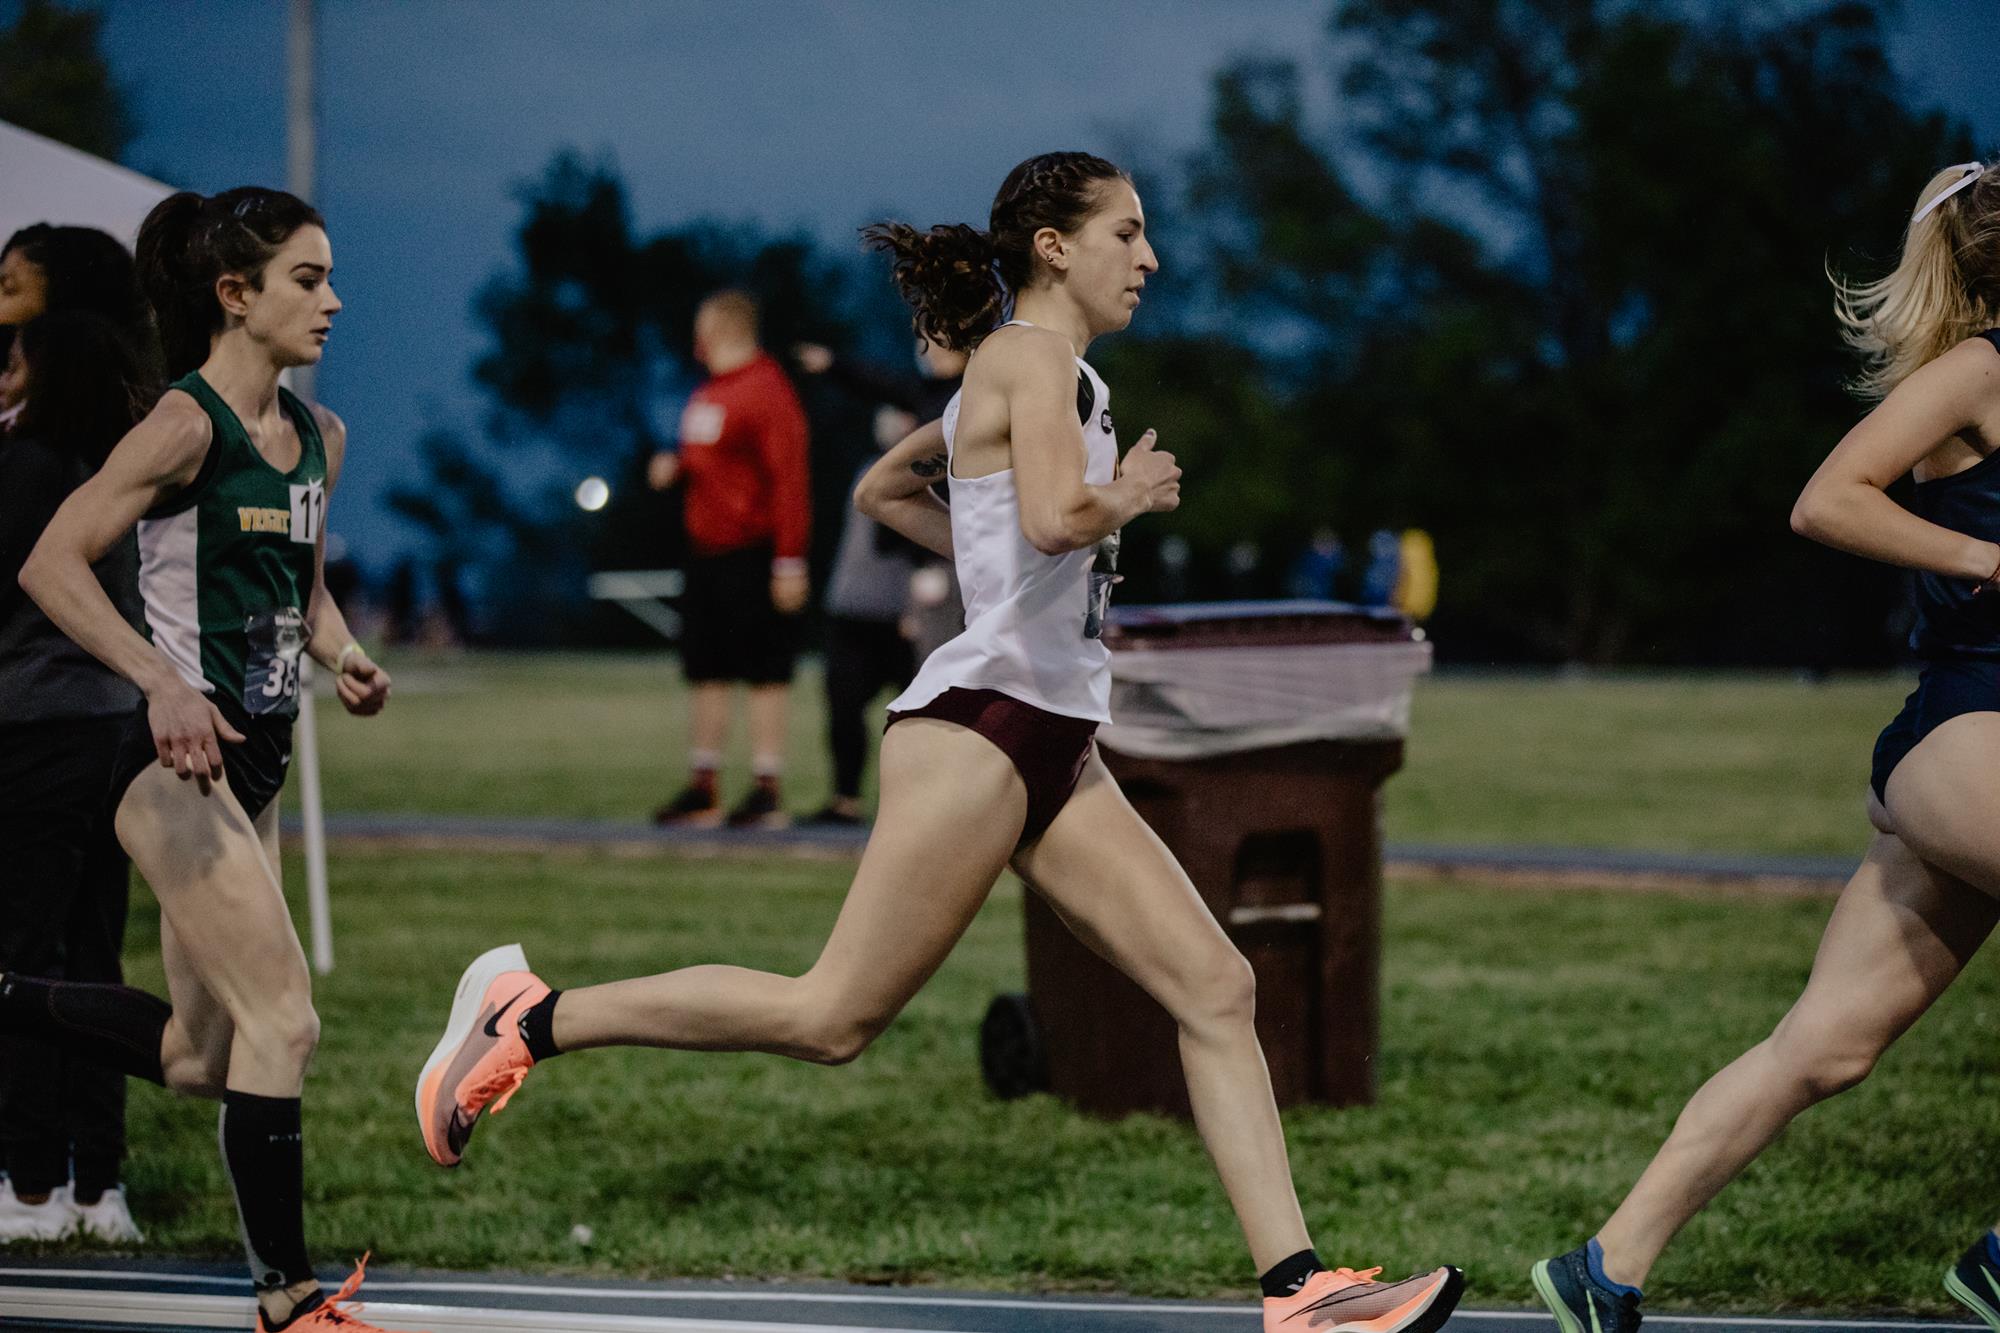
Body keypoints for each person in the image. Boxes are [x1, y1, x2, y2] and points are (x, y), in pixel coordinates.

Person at [418, 151, 1465, 1333]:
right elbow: (1050, 516)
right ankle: (531, 1015)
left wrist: (984, 531)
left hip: (1050, 743)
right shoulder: (1031, 359)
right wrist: (1121, 495)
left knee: (1216, 985)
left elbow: (881, 490)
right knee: (831, 1018)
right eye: (1127, 233)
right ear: (1055, 247)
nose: (1151, 258)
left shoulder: (1029, 372)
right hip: (981, 733)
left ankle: (1300, 1289)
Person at [1530, 161, 2000, 1333]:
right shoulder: (1980, 370)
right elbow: (1826, 497)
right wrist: (1984, 560)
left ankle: (1602, 1268)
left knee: (1824, 1046)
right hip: (1967, 729)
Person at [1, 187, 410, 1332]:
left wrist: (347, 656)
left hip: (256, 760)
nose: (332, 302)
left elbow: (305, 587)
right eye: (306, 279)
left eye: (329, 278)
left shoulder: (320, 438)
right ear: (234, 296)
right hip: (167, 759)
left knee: (196, 1053)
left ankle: (8, 997)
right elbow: (52, 564)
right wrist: (162, 681)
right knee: (286, 1020)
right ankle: (286, 1293)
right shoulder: (182, 426)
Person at [0, 222, 162, 1246]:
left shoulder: (27, 465)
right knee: (98, 960)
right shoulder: (142, 450)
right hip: (121, 729)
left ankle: (27, 1187)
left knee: (23, 961)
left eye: (12, 296)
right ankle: (102, 1186)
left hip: (32, 726)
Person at [647, 290, 812, 829]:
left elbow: (790, 480)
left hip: (753, 551)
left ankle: (766, 788)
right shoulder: (709, 393)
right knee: (706, 667)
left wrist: (790, 561)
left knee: (764, 670)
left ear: (721, 328)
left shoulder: (767, 390)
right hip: (706, 553)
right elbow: (709, 461)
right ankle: (704, 786)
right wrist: (675, 467)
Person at [793, 336, 967, 824]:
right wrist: (832, 363)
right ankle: (847, 797)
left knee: (931, 705)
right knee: (845, 702)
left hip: (928, 588)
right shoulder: (913, 406)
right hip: (862, 602)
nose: (928, 350)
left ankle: (933, 804)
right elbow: (883, 384)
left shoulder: (969, 404)